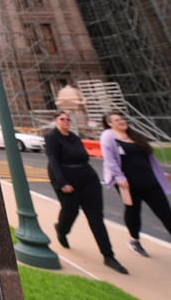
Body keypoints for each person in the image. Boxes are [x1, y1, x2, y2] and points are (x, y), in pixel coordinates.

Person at [101, 110, 171, 273]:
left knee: (167, 217)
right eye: (117, 120)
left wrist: (160, 173)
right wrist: (119, 177)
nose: (122, 121)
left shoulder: (135, 136)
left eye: (122, 118)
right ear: (110, 123)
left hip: (150, 182)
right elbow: (110, 160)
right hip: (128, 184)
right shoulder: (108, 137)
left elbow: (148, 159)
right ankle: (134, 240)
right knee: (133, 211)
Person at [45, 110, 129, 274]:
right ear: (56, 121)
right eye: (62, 119)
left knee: (95, 216)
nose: (66, 121)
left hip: (87, 176)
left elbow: (84, 156)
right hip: (66, 177)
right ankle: (61, 229)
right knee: (71, 210)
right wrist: (62, 182)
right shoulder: (51, 137)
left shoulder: (75, 137)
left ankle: (108, 255)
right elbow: (53, 159)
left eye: (68, 119)